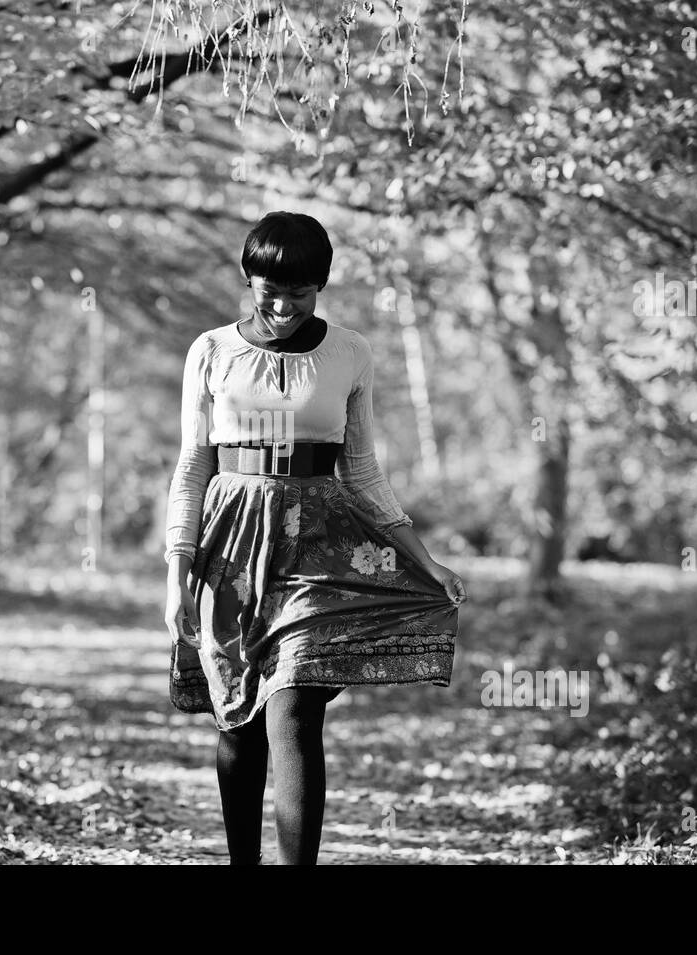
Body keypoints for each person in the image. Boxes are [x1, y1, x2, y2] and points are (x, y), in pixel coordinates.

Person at [163, 210, 467, 865]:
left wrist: (424, 557)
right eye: (266, 289)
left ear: (321, 286)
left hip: (319, 546)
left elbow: (362, 471)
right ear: (248, 279)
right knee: (240, 720)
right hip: (231, 547)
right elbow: (193, 464)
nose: (280, 304)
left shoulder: (350, 352)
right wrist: (176, 572)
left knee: (296, 705)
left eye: (298, 293)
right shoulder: (211, 351)